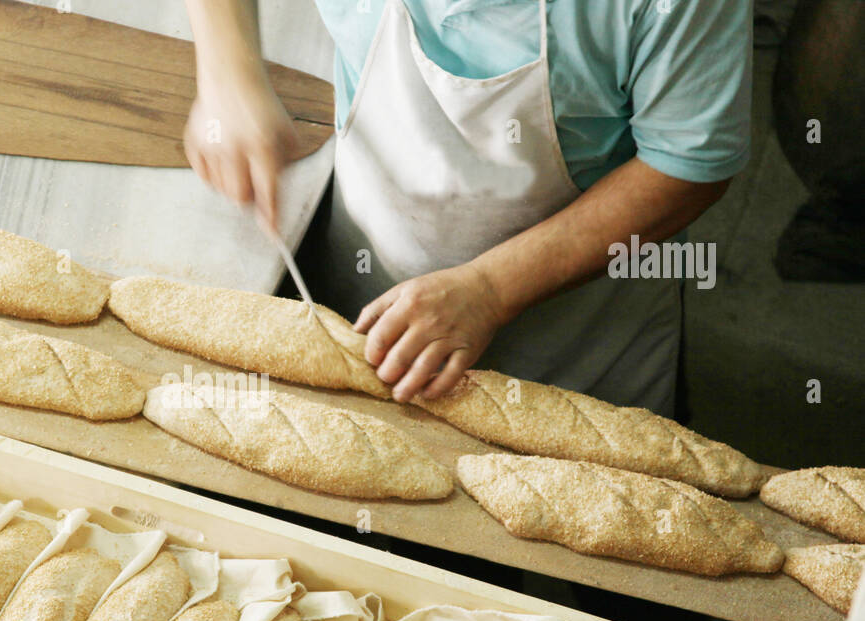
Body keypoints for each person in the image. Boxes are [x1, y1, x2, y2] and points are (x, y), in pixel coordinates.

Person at [183, 0, 752, 415]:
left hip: (577, 336)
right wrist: (228, 71)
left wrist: (491, 289)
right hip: (370, 261)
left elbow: (685, 169)